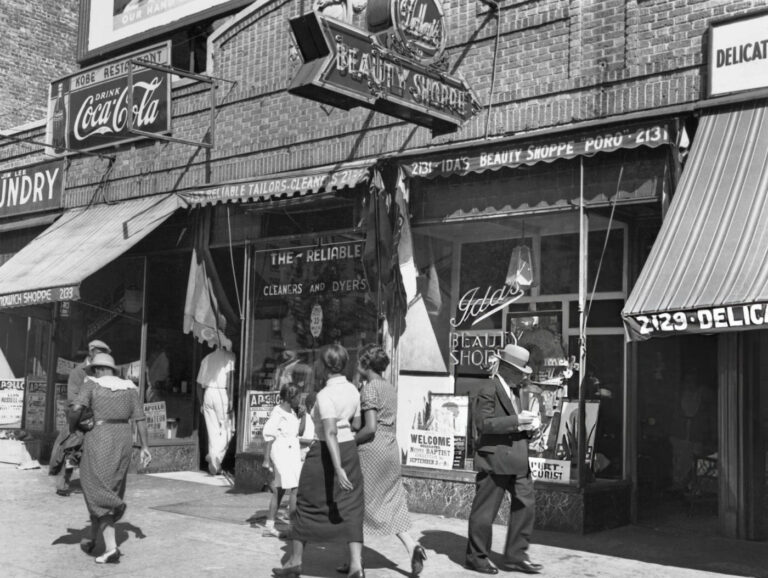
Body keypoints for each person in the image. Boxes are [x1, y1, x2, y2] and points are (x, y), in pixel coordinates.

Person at [273, 344, 365, 578]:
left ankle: (295, 561)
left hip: (325, 453)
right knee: (351, 506)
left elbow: (330, 431)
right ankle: (356, 565)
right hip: (349, 450)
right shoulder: (354, 391)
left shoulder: (325, 395)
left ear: (324, 366)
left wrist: (337, 468)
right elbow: (355, 424)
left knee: (305, 504)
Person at [338, 343, 427, 577]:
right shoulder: (389, 388)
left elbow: (369, 428)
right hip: (390, 451)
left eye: (359, 362)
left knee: (355, 505)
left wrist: (350, 442)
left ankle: (354, 563)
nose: (356, 366)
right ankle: (412, 546)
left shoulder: (369, 389)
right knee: (390, 501)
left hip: (371, 451)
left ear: (365, 364)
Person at [465, 343, 543, 575]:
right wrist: (518, 421)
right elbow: (484, 423)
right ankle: (476, 557)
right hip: (495, 459)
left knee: (526, 505)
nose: (523, 377)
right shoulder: (488, 388)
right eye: (520, 372)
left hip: (518, 458)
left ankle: (516, 555)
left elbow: (516, 421)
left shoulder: (516, 391)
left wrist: (531, 429)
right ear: (507, 369)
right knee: (485, 512)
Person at [69, 352, 152, 564]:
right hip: (123, 438)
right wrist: (144, 446)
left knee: (96, 487)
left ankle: (112, 548)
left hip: (100, 437)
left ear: (97, 369)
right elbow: (140, 419)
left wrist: (73, 426)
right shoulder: (129, 388)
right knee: (109, 485)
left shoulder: (91, 385)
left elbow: (76, 408)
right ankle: (91, 537)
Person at [49, 340, 112, 497]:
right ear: (90, 352)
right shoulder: (78, 372)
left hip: (98, 417)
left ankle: (95, 484)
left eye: (103, 354)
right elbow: (72, 398)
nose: (100, 356)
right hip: (80, 416)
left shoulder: (104, 372)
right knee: (71, 448)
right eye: (97, 353)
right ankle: (63, 483)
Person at [262, 384, 303, 538]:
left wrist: (301, 415)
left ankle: (269, 526)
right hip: (282, 452)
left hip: (291, 452)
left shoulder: (292, 412)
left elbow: (297, 431)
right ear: (290, 398)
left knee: (279, 490)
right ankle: (293, 527)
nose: (300, 400)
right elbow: (269, 436)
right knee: (295, 488)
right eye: (298, 397)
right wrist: (266, 459)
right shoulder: (277, 413)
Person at [197, 346, 236, 476]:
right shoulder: (230, 356)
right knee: (229, 428)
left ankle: (215, 466)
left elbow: (198, 383)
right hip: (222, 392)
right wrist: (230, 399)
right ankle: (215, 457)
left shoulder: (206, 358)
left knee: (212, 431)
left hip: (208, 393)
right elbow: (230, 378)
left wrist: (201, 402)